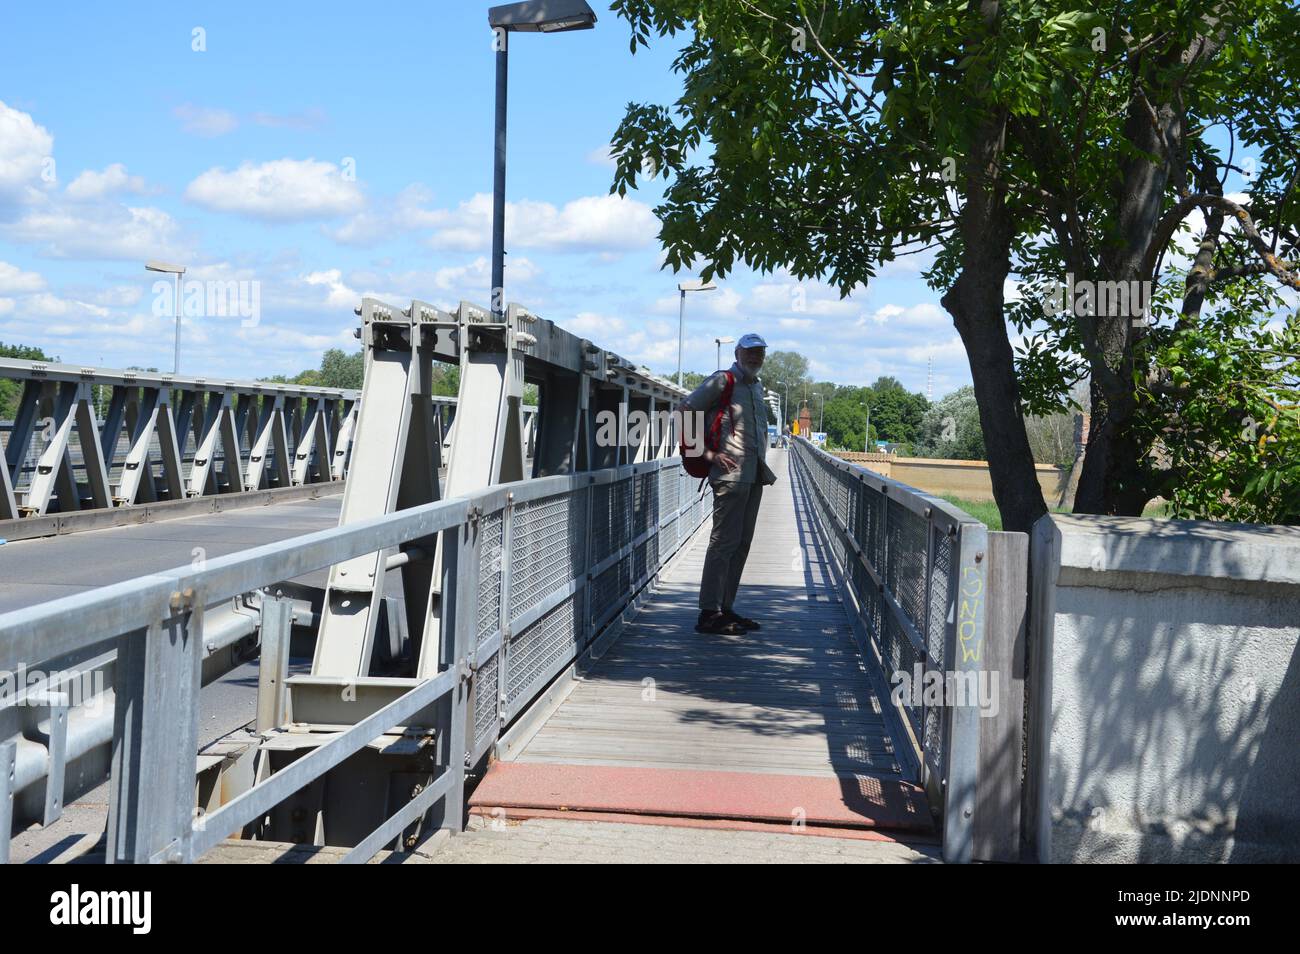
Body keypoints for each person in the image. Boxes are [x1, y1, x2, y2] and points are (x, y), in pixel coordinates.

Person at [679, 332, 778, 635]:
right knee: (723, 543)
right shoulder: (723, 381)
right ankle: (708, 612)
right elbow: (684, 412)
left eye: (759, 352)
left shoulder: (757, 387)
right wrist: (708, 454)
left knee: (741, 544)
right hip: (729, 477)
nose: (754, 357)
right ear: (736, 353)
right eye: (749, 352)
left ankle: (726, 608)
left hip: (754, 475)